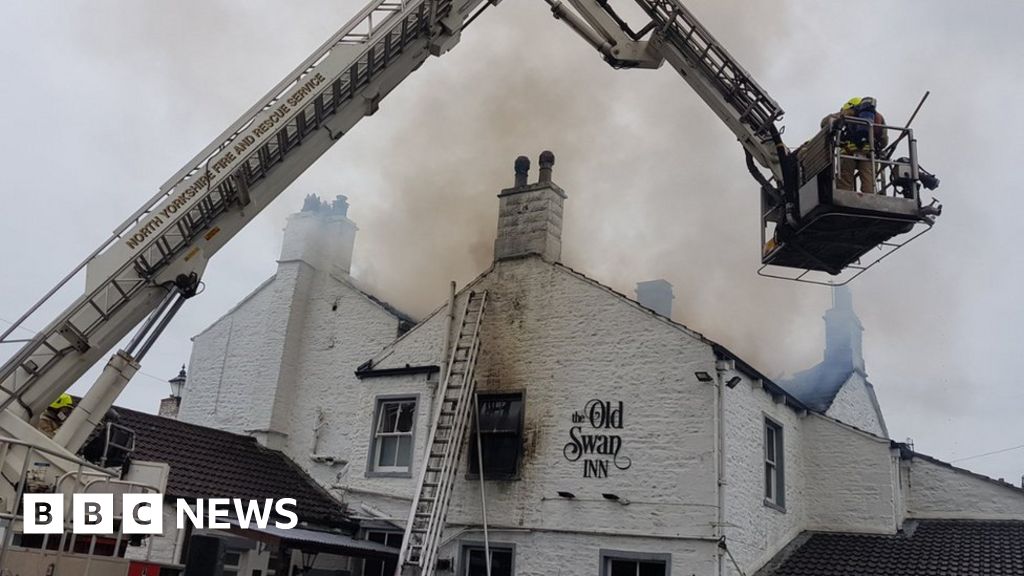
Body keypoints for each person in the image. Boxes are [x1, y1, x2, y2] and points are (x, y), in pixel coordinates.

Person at [822, 97, 888, 194]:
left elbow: (824, 123)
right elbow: (884, 141)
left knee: (844, 183)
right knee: (869, 187)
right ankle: (869, 204)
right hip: (869, 155)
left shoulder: (847, 113)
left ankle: (844, 203)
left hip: (848, 153)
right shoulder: (878, 117)